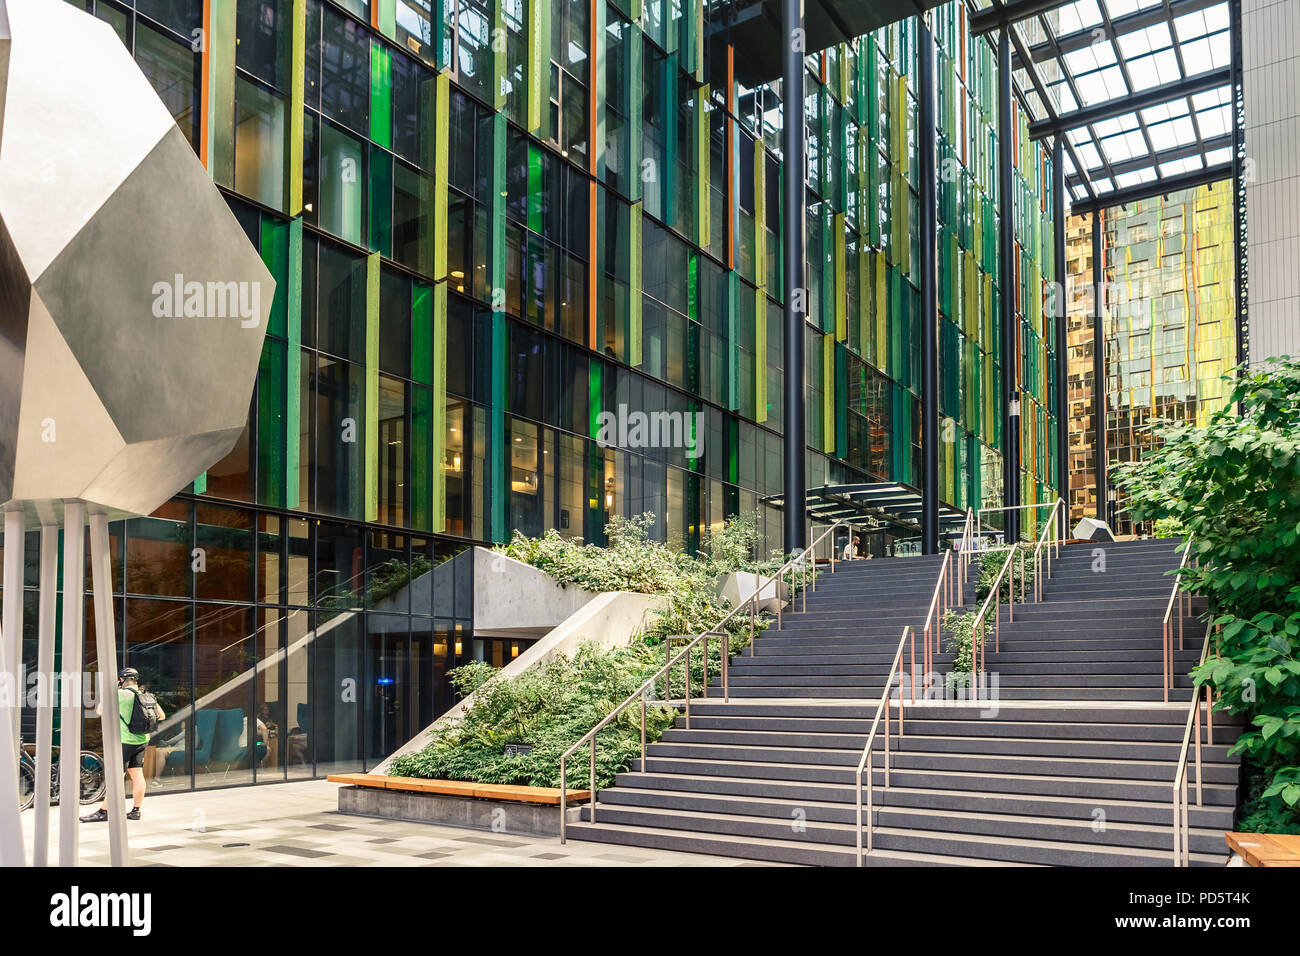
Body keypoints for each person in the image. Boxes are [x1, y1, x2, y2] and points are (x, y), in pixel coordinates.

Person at [81, 667, 165, 823]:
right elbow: (161, 715)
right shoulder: (145, 695)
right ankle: (136, 811)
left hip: (124, 741)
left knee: (116, 777)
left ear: (121, 680)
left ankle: (104, 811)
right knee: (137, 773)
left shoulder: (118, 694)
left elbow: (99, 710)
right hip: (142, 740)